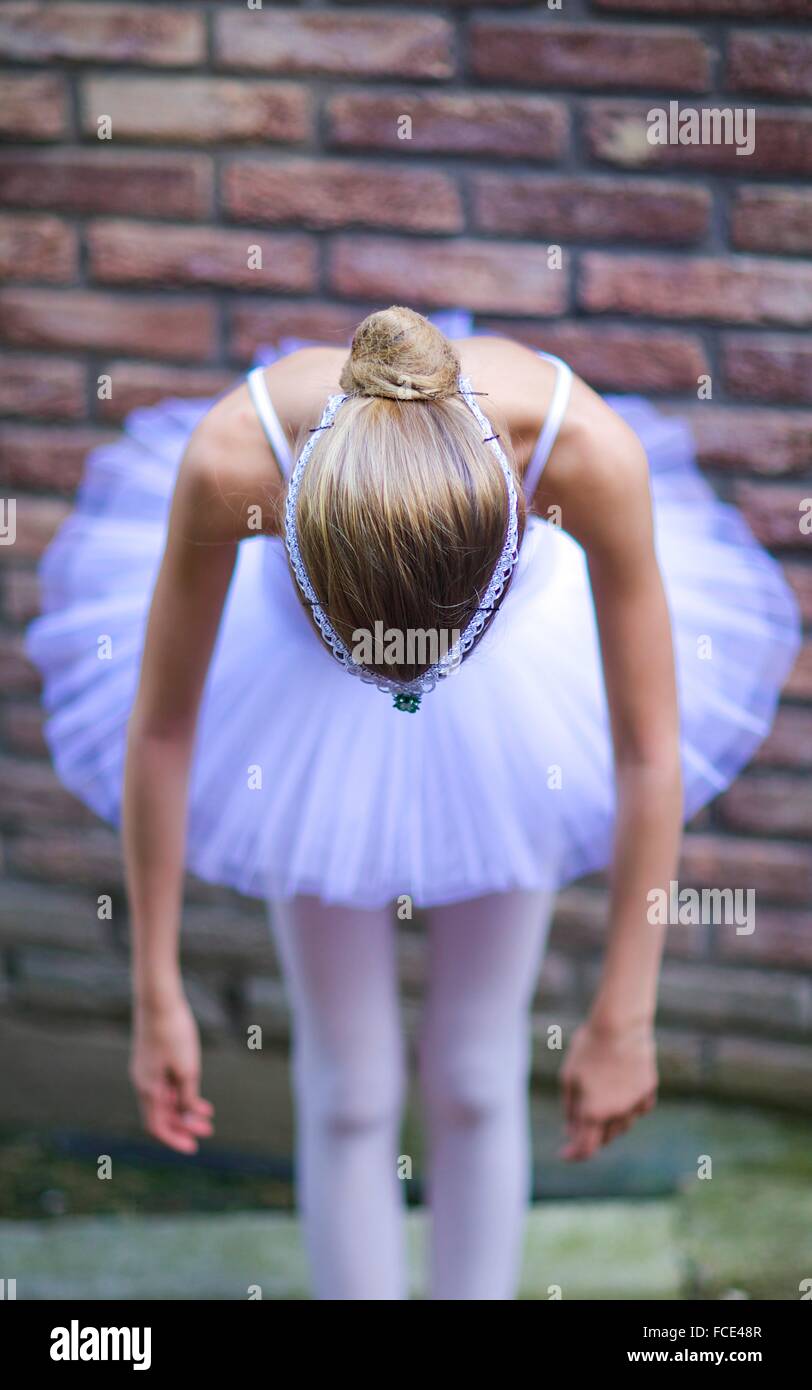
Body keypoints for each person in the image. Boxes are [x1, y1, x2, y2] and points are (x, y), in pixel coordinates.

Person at [25, 304, 800, 1300]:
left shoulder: (581, 454)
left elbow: (648, 750)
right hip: (301, 725)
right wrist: (156, 986)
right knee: (347, 1087)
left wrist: (626, 1013)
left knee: (476, 1071)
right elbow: (165, 730)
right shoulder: (234, 464)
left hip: (507, 719)